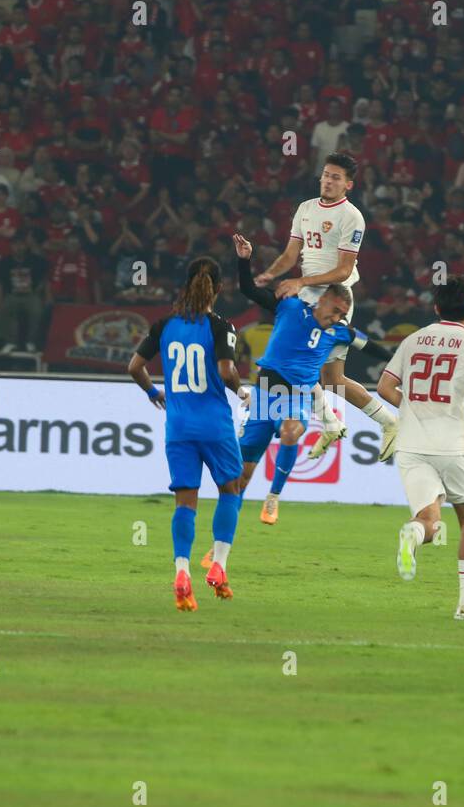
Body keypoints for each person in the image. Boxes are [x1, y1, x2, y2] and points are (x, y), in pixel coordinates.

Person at [230, 232, 393, 525]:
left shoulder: (342, 331)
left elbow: (371, 348)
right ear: (324, 300)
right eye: (336, 310)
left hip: (296, 395)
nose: (339, 317)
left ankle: (273, 498)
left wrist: (397, 364)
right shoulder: (290, 307)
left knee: (292, 431)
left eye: (344, 313)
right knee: (240, 478)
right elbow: (248, 290)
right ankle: (219, 549)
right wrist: (244, 261)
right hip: (265, 389)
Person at [254, 152, 399, 460]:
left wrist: (302, 282)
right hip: (308, 297)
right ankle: (347, 423)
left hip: (334, 299)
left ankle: (377, 422)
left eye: (336, 177)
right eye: (326, 175)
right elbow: (291, 255)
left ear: (348, 185)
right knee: (331, 380)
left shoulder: (352, 217)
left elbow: (344, 271)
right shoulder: (305, 209)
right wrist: (271, 273)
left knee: (310, 371)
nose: (329, 181)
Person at [379, 276, 464, 620]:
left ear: (436, 308)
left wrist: (411, 407)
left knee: (428, 518)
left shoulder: (413, 339)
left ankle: (414, 535)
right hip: (452, 445)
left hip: (412, 446)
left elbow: (385, 386)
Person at [128, 255, 247, 610]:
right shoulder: (220, 326)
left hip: (178, 427)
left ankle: (182, 571)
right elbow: (226, 370)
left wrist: (154, 393)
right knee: (231, 489)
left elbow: (134, 366)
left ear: (185, 284)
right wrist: (240, 390)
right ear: (219, 289)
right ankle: (219, 567)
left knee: (185, 502)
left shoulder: (164, 325)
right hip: (214, 425)